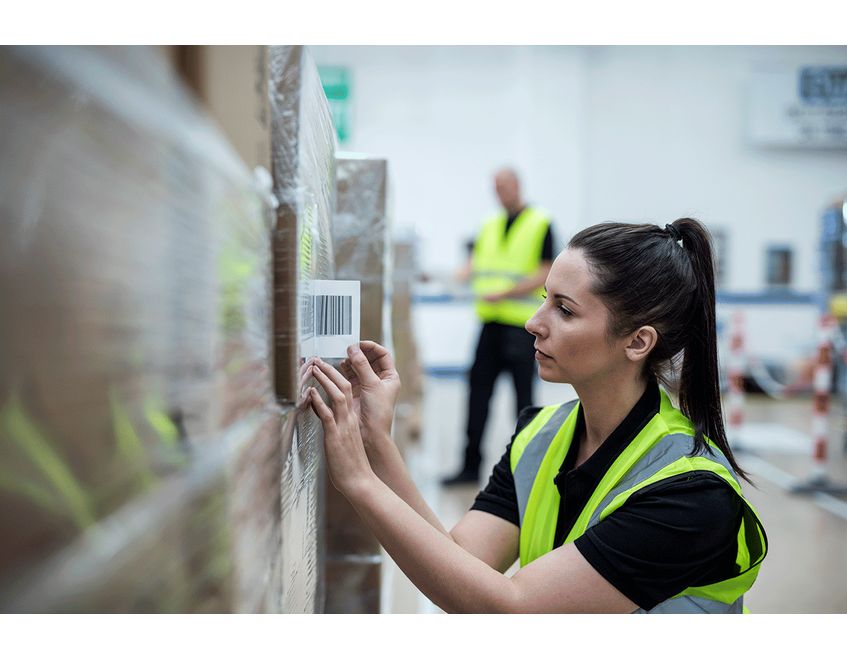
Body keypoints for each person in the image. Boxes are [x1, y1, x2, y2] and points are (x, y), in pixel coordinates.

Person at [301, 217, 768, 613]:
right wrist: (376, 440)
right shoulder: (540, 435)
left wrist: (359, 482)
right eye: (544, 297)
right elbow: (464, 561)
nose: (533, 321)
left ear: (637, 342)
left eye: (564, 309)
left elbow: (512, 609)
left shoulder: (691, 496)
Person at [445, 168, 555, 485]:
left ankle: (527, 471)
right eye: (495, 187)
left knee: (523, 403)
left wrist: (506, 293)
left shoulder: (540, 222)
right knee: (477, 397)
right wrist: (457, 276)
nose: (499, 192)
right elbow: (477, 261)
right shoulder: (490, 224)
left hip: (523, 328)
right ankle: (469, 468)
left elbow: (546, 271)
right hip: (490, 325)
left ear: (518, 186)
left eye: (503, 186)